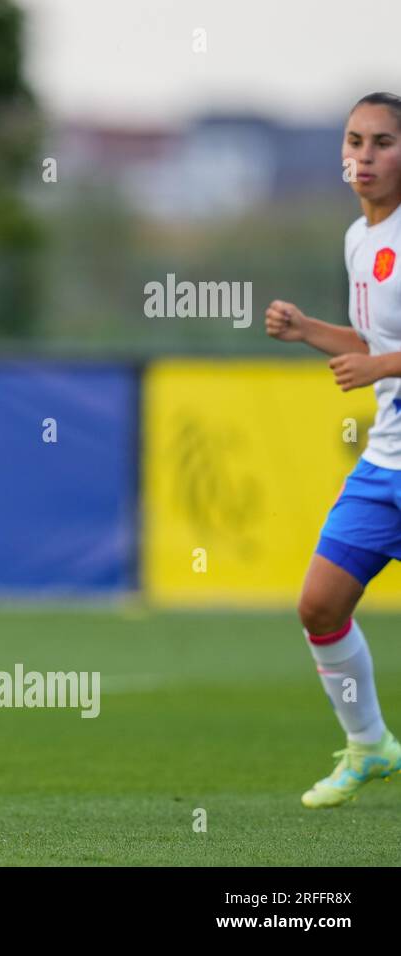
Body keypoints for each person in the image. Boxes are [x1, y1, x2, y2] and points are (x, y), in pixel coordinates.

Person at [266, 91, 401, 808]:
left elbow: (383, 359)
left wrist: (381, 368)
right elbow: (372, 343)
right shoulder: (359, 238)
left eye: (383, 142)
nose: (365, 156)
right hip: (386, 463)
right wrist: (308, 330)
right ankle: (370, 745)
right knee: (320, 606)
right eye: (355, 141)